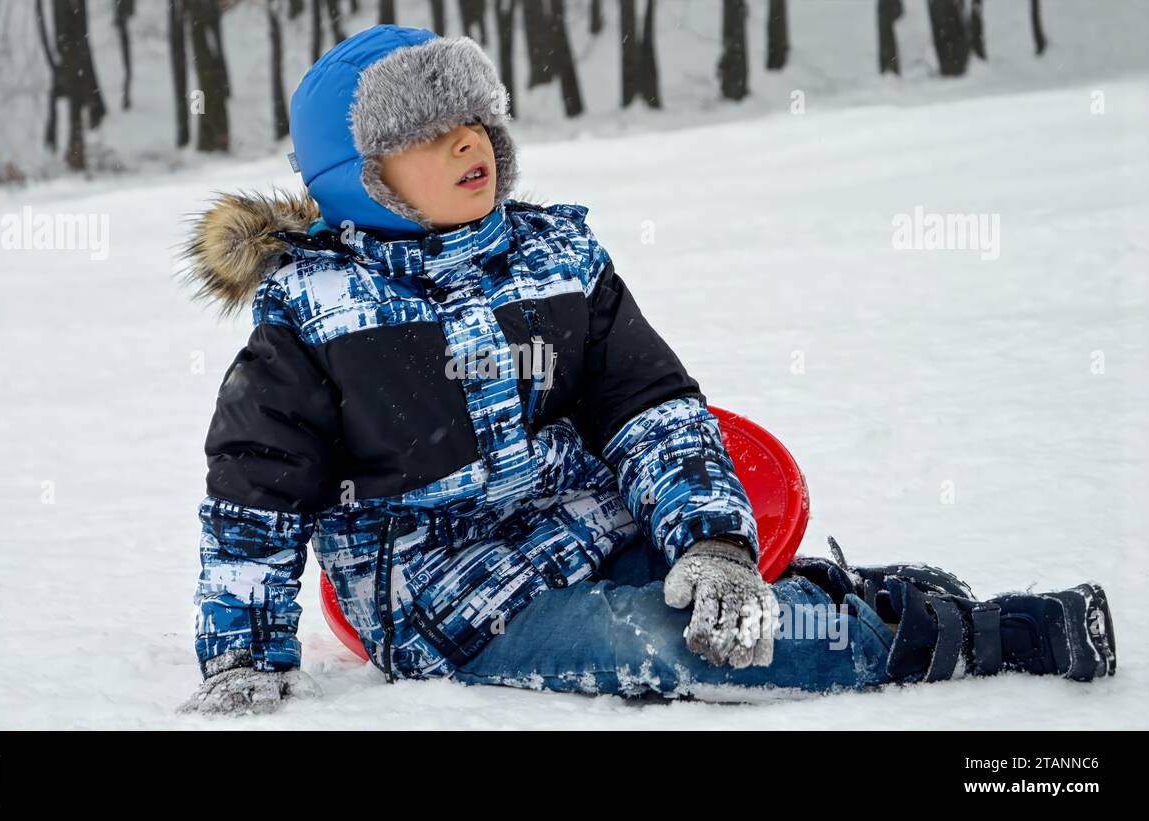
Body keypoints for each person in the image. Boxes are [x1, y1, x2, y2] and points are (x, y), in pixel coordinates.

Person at [175, 24, 1115, 716]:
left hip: (593, 525)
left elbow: (651, 408)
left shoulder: (559, 260)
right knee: (690, 647)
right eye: (427, 133)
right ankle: (974, 638)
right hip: (454, 599)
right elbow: (255, 497)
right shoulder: (314, 315)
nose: (467, 142)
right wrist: (244, 655)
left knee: (714, 594)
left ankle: (848, 593)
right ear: (358, 176)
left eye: (473, 118)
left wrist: (712, 540)